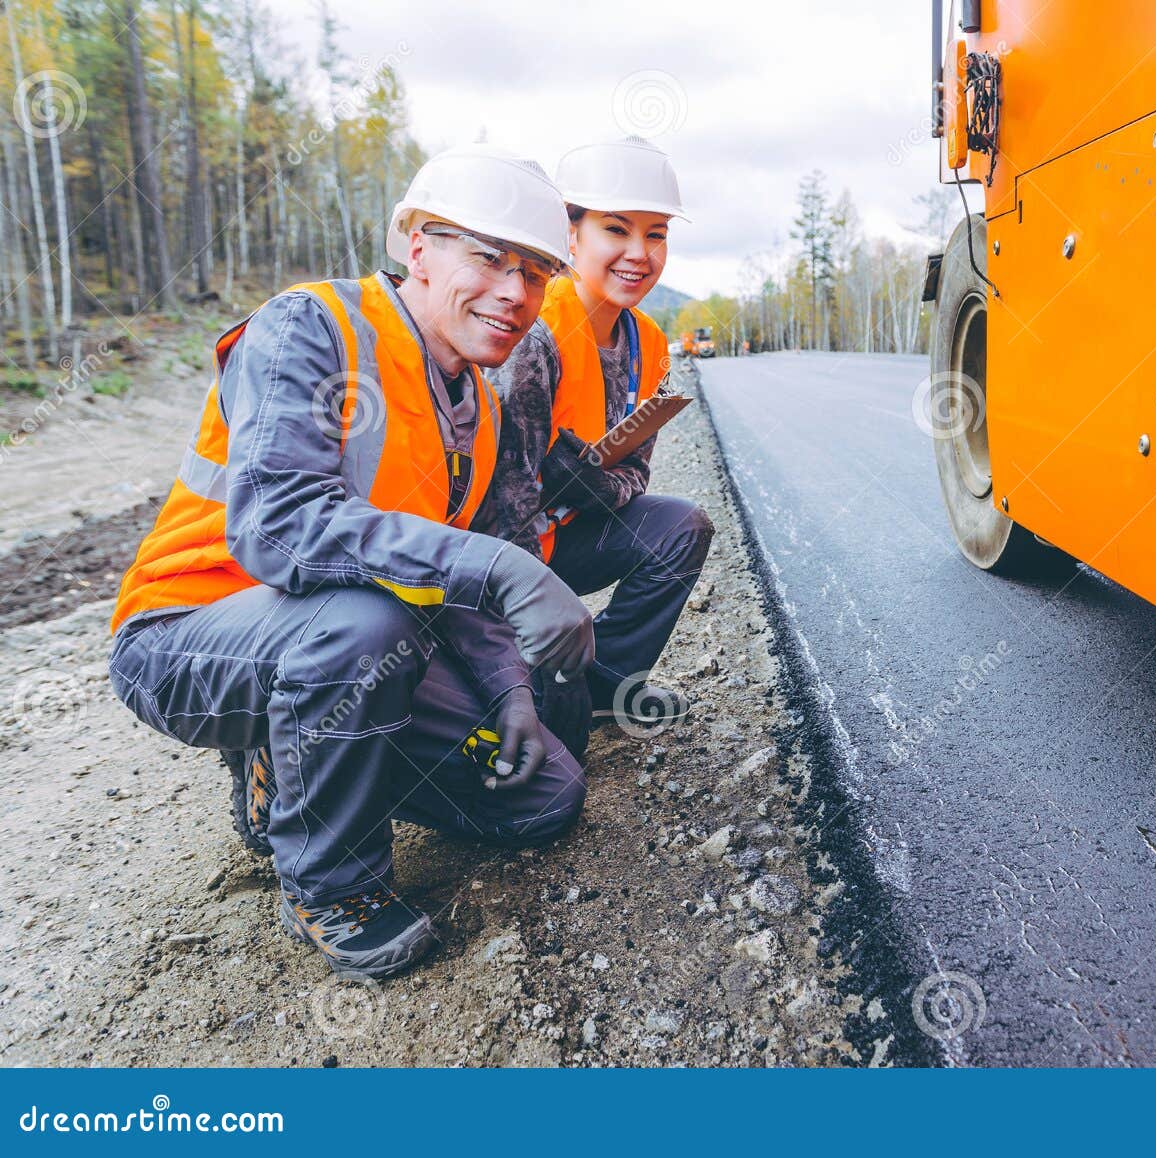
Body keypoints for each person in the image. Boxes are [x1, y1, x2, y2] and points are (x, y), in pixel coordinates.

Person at [107, 145, 593, 981]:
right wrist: (506, 570)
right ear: (418, 248)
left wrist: (510, 687)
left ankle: (298, 760)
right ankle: (334, 888)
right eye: (488, 256)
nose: (516, 293)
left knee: (545, 797)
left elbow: (444, 583)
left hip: (345, 645)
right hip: (184, 637)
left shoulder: (476, 405)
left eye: (538, 271)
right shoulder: (310, 326)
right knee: (366, 624)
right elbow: (279, 528)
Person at [478, 136, 714, 754]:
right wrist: (539, 663)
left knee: (681, 527)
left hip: (568, 533)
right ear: (571, 233)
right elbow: (501, 517)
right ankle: (537, 686)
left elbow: (636, 470)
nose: (640, 254)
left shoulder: (651, 344)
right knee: (556, 747)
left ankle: (605, 686)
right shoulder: (534, 331)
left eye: (656, 234)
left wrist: (596, 484)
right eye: (617, 229)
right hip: (496, 561)